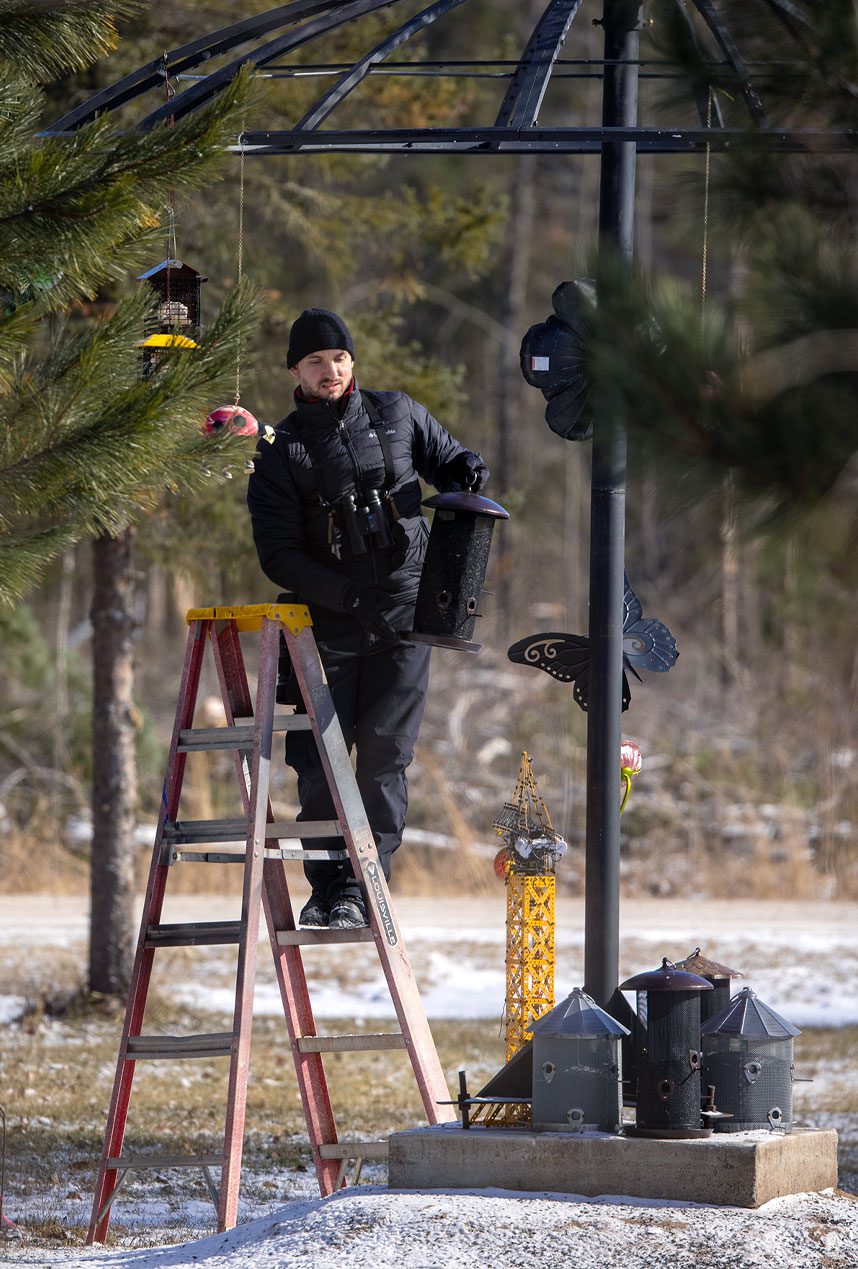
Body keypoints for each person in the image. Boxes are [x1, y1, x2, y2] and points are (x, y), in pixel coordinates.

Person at [246, 308, 488, 929]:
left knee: (385, 754)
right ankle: (326, 887)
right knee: (319, 758)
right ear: (294, 371)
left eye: (340, 358)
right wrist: (345, 597)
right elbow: (278, 555)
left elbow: (451, 458)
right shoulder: (282, 450)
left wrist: (465, 469)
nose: (331, 370)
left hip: (409, 614)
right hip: (327, 622)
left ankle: (365, 883)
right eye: (316, 361)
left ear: (353, 361)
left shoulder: (398, 413)